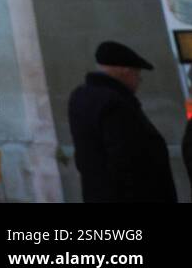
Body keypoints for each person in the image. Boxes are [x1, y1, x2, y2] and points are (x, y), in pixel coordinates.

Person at [67, 40, 177, 202]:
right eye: (137, 75)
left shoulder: (81, 96)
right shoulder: (114, 102)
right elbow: (126, 160)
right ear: (125, 71)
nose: (138, 81)